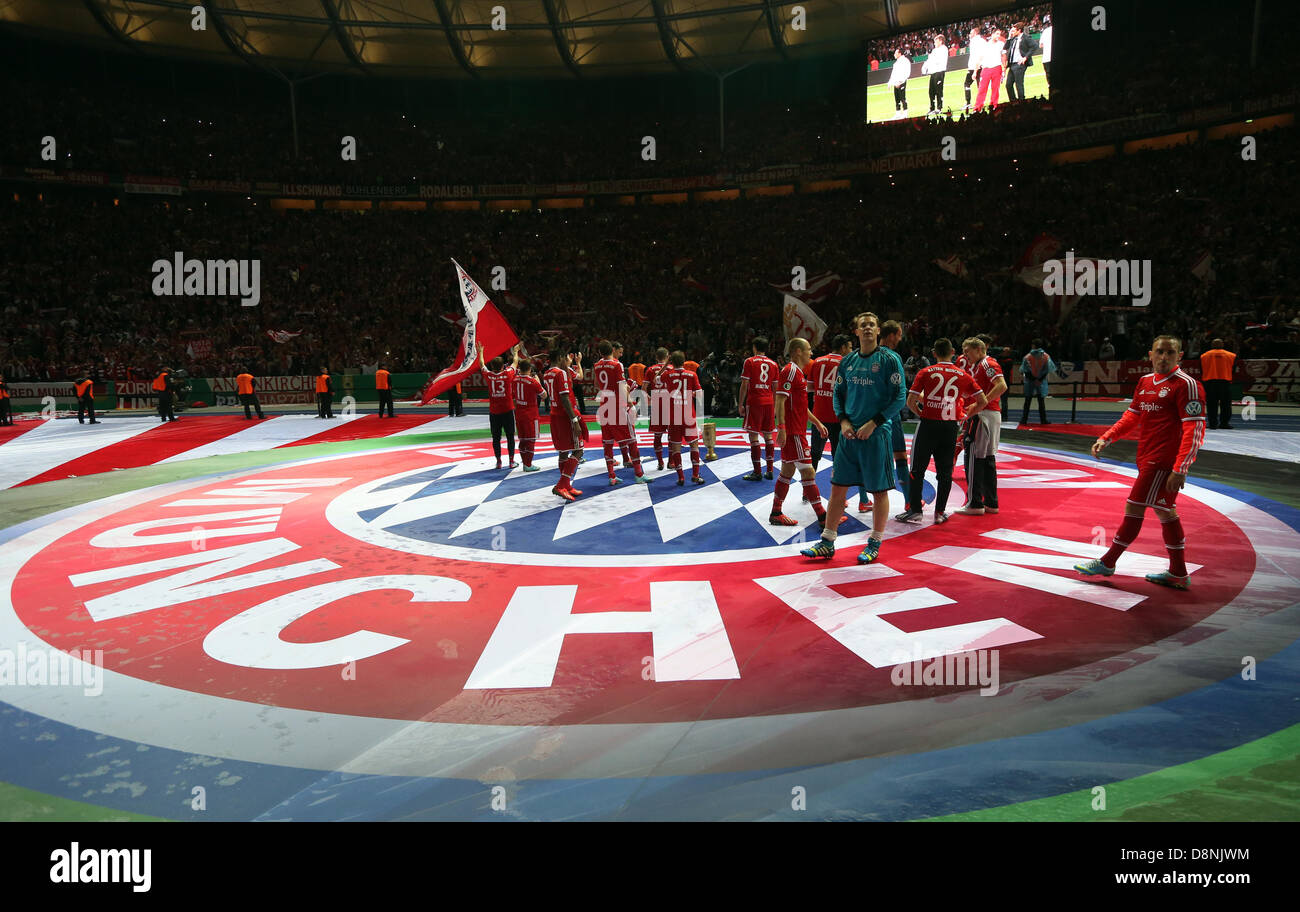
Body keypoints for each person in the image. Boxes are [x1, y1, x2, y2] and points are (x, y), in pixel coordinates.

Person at [1076, 336, 1207, 590]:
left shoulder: (1187, 385)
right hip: (1146, 457)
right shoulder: (1145, 382)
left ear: (1179, 356)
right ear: (1150, 354)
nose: (1164, 357)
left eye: (1170, 352)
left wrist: (1180, 468)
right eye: (1159, 351)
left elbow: (1194, 430)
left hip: (1162, 461)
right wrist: (1107, 437)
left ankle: (1108, 562)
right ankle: (1178, 573)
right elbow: (1132, 416)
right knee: (1165, 511)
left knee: (1134, 507)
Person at [800, 312, 906, 564]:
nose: (867, 328)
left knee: (878, 491)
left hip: (876, 434)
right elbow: (838, 394)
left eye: (872, 325)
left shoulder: (890, 360)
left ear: (878, 331)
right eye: (863, 325)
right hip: (849, 435)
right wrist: (844, 421)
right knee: (838, 488)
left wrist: (874, 423)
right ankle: (827, 541)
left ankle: (874, 543)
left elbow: (899, 397)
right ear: (856, 332)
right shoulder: (847, 361)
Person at [896, 338, 988, 524]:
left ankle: (915, 510)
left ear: (934, 353)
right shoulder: (962, 374)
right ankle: (939, 513)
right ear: (953, 352)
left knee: (917, 469)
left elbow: (910, 401)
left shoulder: (925, 372)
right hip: (949, 427)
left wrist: (922, 413)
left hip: (928, 425)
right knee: (945, 471)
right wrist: (965, 415)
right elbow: (983, 401)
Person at [770, 338, 834, 527]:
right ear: (798, 351)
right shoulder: (790, 371)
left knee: (787, 471)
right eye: (808, 349)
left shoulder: (798, 373)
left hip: (796, 431)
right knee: (808, 472)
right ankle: (822, 517)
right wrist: (781, 428)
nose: (811, 353)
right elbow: (779, 400)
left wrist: (817, 423)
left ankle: (776, 512)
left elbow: (801, 406)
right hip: (794, 433)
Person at [955, 337, 1007, 515]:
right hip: (990, 415)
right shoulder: (981, 365)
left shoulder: (986, 364)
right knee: (987, 459)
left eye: (967, 351)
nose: (965, 355)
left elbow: (1001, 386)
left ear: (978, 349)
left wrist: (981, 403)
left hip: (983, 416)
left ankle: (975, 503)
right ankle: (991, 502)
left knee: (974, 458)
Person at [593, 340, 647, 485]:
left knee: (608, 443)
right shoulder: (617, 365)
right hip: (617, 407)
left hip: (604, 407)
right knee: (632, 440)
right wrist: (630, 403)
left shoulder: (596, 365)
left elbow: (596, 385)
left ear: (600, 352)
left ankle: (611, 476)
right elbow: (622, 386)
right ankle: (639, 474)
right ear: (612, 350)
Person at [543, 350, 587, 500]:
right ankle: (561, 485)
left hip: (554, 415)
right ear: (559, 357)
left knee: (563, 451)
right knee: (578, 450)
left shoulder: (546, 374)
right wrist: (574, 420)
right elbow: (565, 398)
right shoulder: (560, 373)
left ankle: (566, 485)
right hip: (566, 416)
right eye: (566, 357)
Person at [739, 337, 780, 480]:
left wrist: (740, 404)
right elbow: (775, 387)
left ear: (754, 347)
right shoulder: (774, 364)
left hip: (755, 402)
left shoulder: (749, 361)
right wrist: (775, 406)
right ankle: (770, 470)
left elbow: (744, 384)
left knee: (754, 436)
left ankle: (757, 472)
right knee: (768, 436)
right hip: (769, 402)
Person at [662, 351, 705, 486]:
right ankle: (695, 475)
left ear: (672, 362)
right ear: (684, 361)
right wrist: (691, 394)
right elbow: (699, 395)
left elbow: (656, 379)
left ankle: (680, 477)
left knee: (676, 447)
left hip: (674, 417)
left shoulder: (667, 374)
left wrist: (666, 365)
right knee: (694, 445)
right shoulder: (692, 374)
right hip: (688, 415)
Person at [879, 321, 911, 496]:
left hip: (867, 414)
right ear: (891, 335)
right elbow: (899, 393)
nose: (900, 339)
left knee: (868, 457)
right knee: (900, 456)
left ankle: (864, 499)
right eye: (899, 335)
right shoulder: (893, 357)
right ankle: (908, 499)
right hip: (890, 414)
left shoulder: (865, 355)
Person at [479, 342, 519, 469]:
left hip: (494, 412)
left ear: (492, 366)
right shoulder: (507, 374)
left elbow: (481, 364)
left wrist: (481, 352)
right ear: (503, 366)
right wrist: (516, 352)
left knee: (496, 438)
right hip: (507, 410)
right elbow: (515, 362)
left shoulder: (489, 375)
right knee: (510, 436)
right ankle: (511, 461)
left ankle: (498, 462)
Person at [512, 358, 545, 472]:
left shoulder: (514, 379)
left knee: (523, 439)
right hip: (531, 415)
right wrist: (539, 382)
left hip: (519, 414)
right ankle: (528, 464)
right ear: (530, 369)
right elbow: (544, 395)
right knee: (531, 440)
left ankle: (525, 463)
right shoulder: (533, 382)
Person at [1199, 339, 1236, 429]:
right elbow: (1233, 370)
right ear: (1222, 344)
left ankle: (1212, 424)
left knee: (1211, 405)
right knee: (1226, 405)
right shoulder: (1231, 355)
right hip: (1225, 382)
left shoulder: (1204, 356)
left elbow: (1201, 370)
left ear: (1212, 345)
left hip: (1210, 383)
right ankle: (1224, 423)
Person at [644, 348, 671, 470]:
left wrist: (648, 398)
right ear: (667, 357)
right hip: (670, 404)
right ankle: (671, 462)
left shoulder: (650, 369)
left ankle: (660, 462)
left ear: (656, 357)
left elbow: (644, 388)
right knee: (672, 435)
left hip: (657, 405)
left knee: (657, 436)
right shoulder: (671, 368)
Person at [1020, 339, 1056, 425]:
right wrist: (1039, 379)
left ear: (1033, 345)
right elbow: (1048, 369)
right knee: (1041, 401)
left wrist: (1033, 379)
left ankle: (1024, 420)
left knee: (1027, 401)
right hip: (1041, 381)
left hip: (1030, 381)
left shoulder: (1028, 357)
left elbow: (1025, 370)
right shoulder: (1046, 356)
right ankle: (1043, 420)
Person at [1002, 21, 1037, 103]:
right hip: (1012, 64)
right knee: (1008, 84)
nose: (1012, 32)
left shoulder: (1025, 38)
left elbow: (1034, 46)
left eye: (1014, 31)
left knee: (1019, 84)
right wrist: (1009, 36)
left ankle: (1022, 101)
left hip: (1019, 64)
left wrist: (1025, 57)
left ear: (1019, 30)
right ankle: (1013, 101)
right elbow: (1005, 47)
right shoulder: (1013, 39)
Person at [973, 28, 1005, 112]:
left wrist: (1004, 69)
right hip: (986, 68)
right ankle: (978, 107)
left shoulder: (1001, 44)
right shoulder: (985, 45)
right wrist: (975, 71)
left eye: (999, 34)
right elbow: (980, 58)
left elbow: (1003, 56)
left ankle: (993, 105)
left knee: (995, 88)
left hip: (997, 68)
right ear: (992, 34)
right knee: (982, 89)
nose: (998, 36)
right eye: (997, 34)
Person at [922, 34, 949, 116]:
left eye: (936, 41)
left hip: (939, 71)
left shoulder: (943, 49)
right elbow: (930, 59)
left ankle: (939, 108)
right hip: (933, 72)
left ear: (940, 41)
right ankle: (932, 108)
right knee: (931, 91)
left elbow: (937, 60)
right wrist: (925, 67)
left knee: (938, 90)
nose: (934, 43)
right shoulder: (935, 50)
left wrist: (930, 63)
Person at [964, 27, 985, 112]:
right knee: (979, 85)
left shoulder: (975, 42)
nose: (969, 35)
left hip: (975, 66)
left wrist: (975, 69)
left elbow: (977, 56)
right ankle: (980, 103)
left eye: (971, 33)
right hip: (980, 66)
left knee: (967, 84)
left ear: (975, 33)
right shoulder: (982, 41)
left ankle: (969, 103)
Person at [889, 48, 911, 119]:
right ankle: (898, 113)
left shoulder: (905, 61)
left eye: (896, 53)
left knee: (902, 98)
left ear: (899, 53)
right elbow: (893, 73)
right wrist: (890, 82)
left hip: (901, 82)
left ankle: (905, 113)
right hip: (895, 83)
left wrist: (900, 82)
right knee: (897, 99)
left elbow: (906, 72)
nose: (894, 54)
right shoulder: (896, 63)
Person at [1040, 15, 1053, 89]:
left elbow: (1041, 45)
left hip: (1046, 58)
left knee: (1049, 76)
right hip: (1055, 56)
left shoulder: (1045, 31)